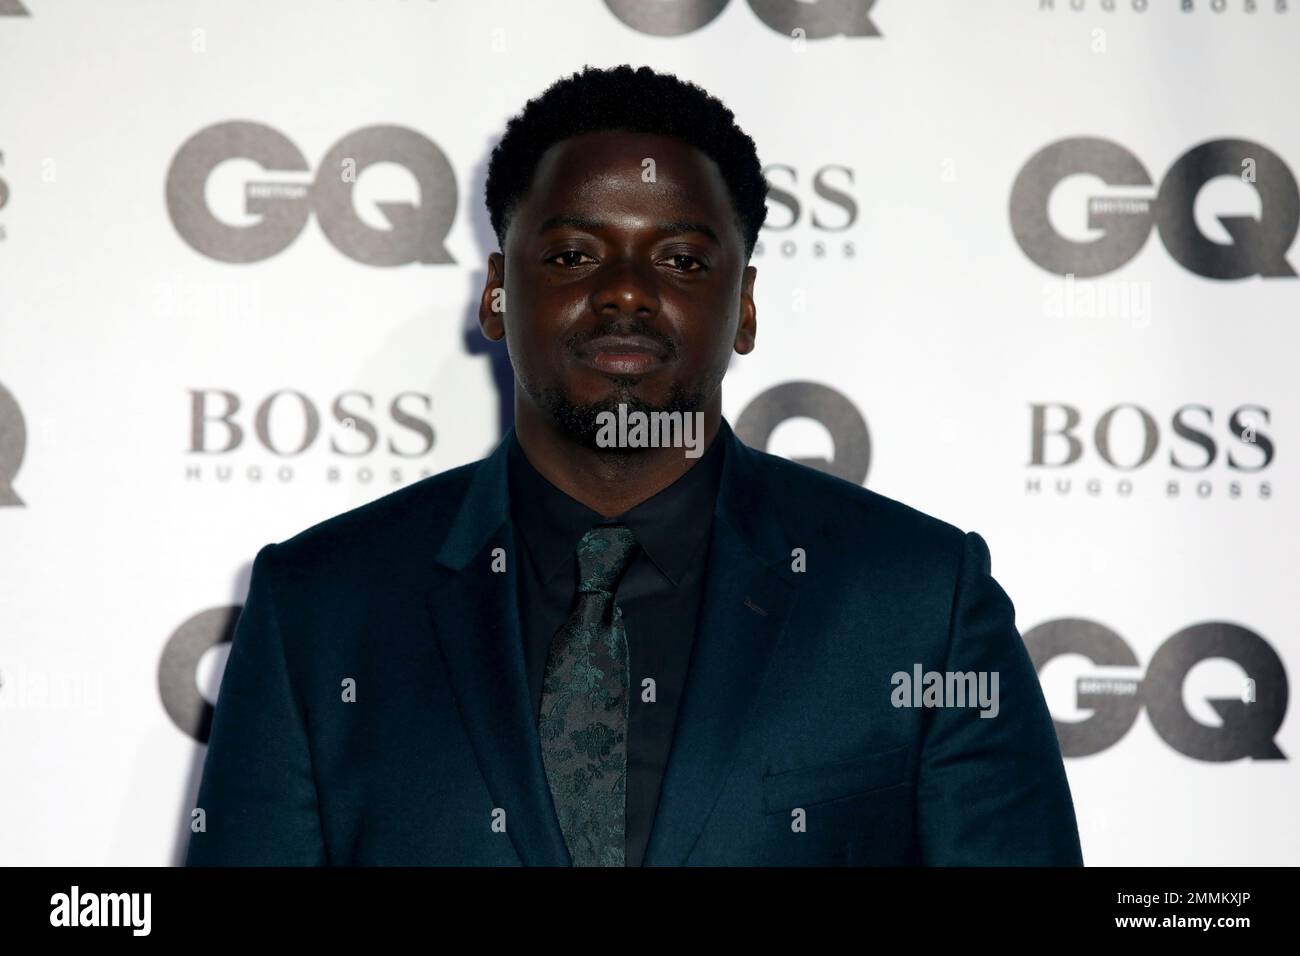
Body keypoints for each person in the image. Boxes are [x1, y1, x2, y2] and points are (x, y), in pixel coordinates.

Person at [185, 64, 1083, 866]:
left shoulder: (917, 602)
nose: (624, 291)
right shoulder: (320, 608)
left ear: (745, 309)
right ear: (497, 295)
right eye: (575, 254)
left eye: (682, 259)